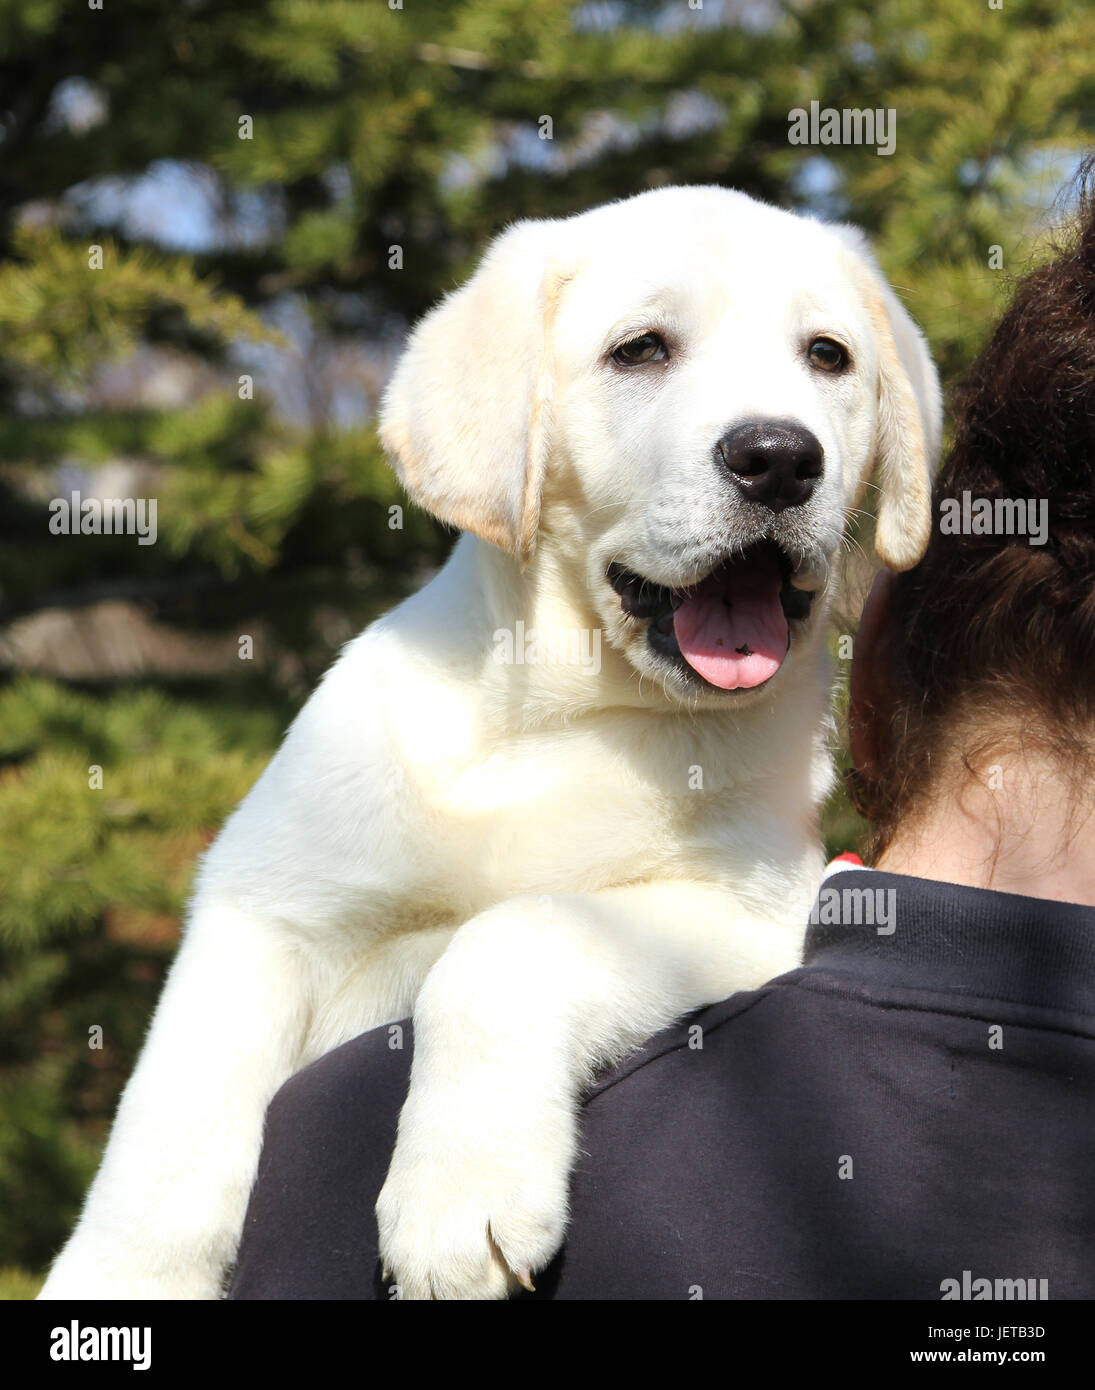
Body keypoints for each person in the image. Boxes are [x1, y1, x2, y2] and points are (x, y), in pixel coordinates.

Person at [228, 180, 1095, 1300]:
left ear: (869, 663)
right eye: (644, 349)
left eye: (827, 357)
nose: (778, 440)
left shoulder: (343, 1131)